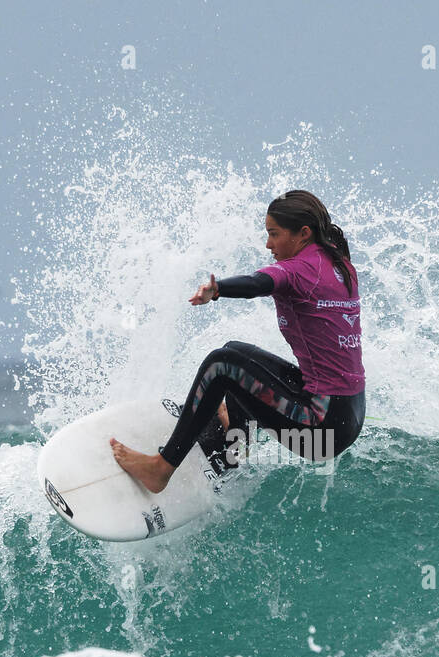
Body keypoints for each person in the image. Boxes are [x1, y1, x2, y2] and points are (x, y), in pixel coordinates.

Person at [110, 189, 367, 493]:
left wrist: (218, 290)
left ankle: (161, 468)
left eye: (274, 234)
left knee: (221, 366)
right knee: (235, 351)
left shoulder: (299, 270)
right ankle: (234, 451)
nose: (268, 244)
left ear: (303, 234)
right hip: (347, 414)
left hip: (320, 431)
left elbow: (259, 283)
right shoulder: (336, 261)